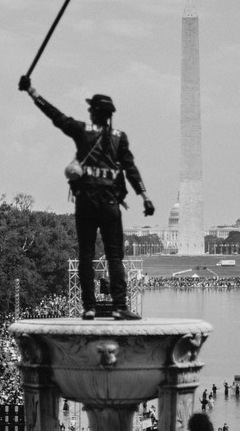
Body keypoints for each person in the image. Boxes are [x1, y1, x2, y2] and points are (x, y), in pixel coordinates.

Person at [19, 76, 154, 320]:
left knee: (86, 256)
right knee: (115, 257)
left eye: (91, 109)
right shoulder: (119, 137)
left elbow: (56, 117)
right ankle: (119, 306)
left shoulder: (83, 131)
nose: (89, 112)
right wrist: (144, 196)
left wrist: (32, 92)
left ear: (94, 113)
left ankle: (89, 307)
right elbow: (131, 169)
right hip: (110, 203)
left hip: (86, 203)